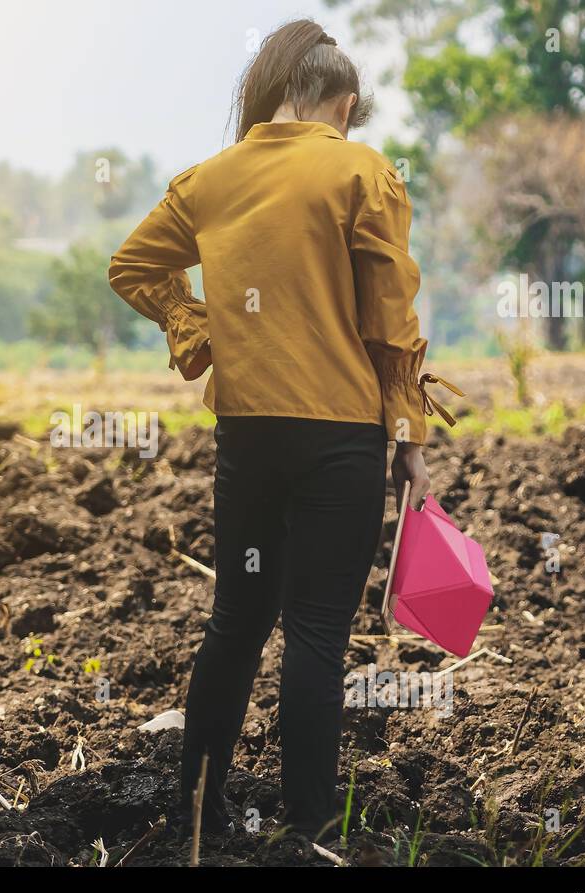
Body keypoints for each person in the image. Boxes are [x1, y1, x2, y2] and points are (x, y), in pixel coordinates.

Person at [108, 19, 455, 844]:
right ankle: (307, 831)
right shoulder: (361, 171)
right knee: (317, 635)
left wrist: (198, 333)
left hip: (248, 434)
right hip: (339, 435)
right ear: (343, 101)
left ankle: (198, 816)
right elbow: (390, 319)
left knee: (236, 620)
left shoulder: (212, 178)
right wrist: (410, 439)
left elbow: (133, 266)